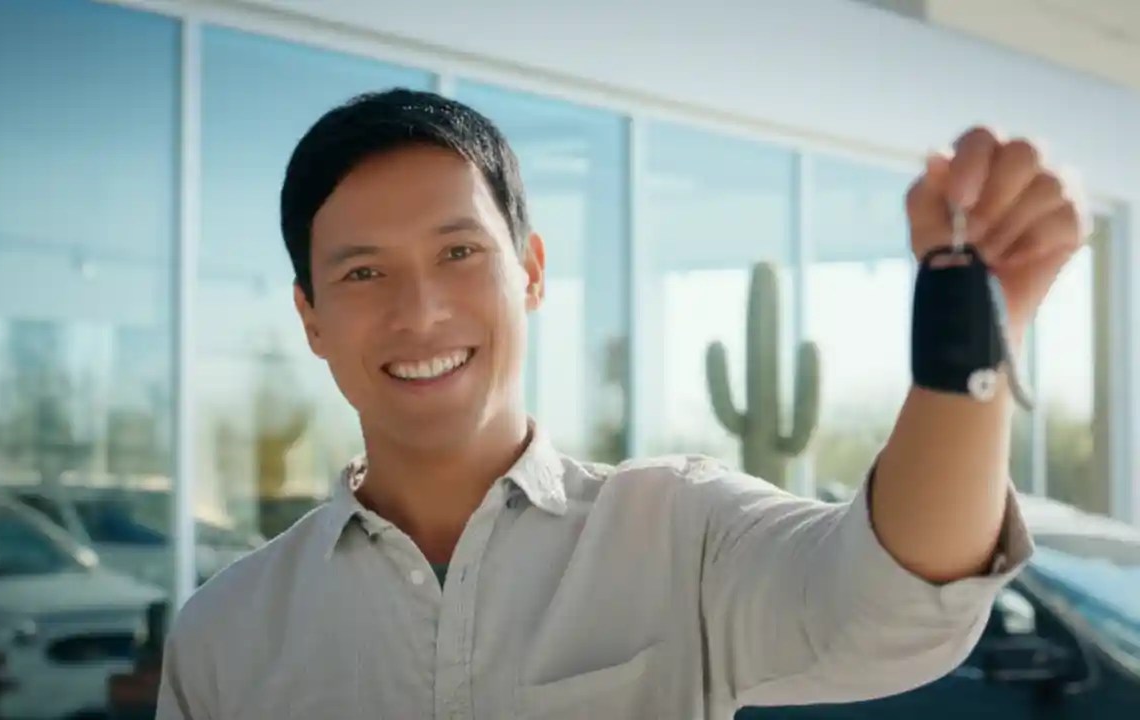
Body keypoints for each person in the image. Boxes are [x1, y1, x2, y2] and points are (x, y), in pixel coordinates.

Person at [156, 88, 1085, 719]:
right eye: (363, 272)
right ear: (310, 317)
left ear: (530, 271)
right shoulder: (224, 634)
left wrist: (972, 341)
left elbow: (892, 603)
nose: (421, 310)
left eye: (458, 252)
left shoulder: (680, 531)